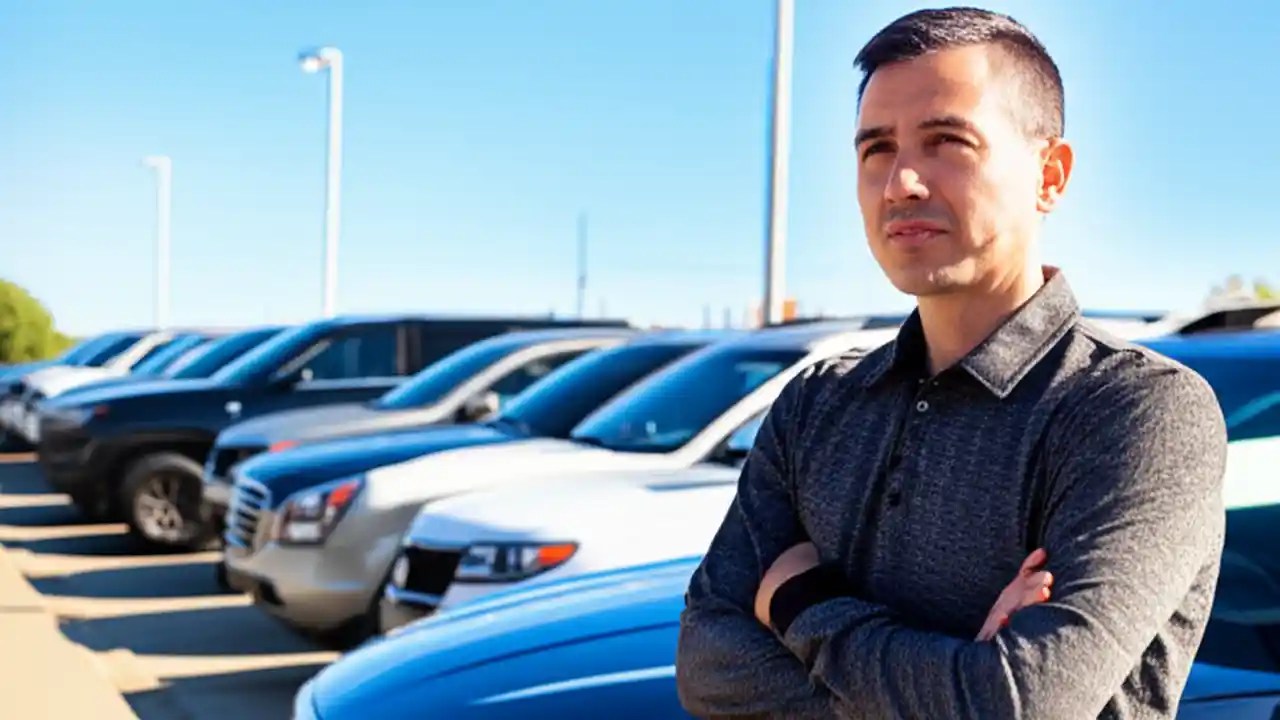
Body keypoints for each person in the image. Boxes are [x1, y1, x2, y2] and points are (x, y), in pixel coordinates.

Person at [674, 7, 1228, 719]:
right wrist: (954, 674)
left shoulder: (1136, 411)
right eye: (876, 148)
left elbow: (1021, 704)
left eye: (947, 141)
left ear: (1050, 174)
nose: (901, 180)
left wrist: (799, 603)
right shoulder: (816, 403)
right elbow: (705, 664)